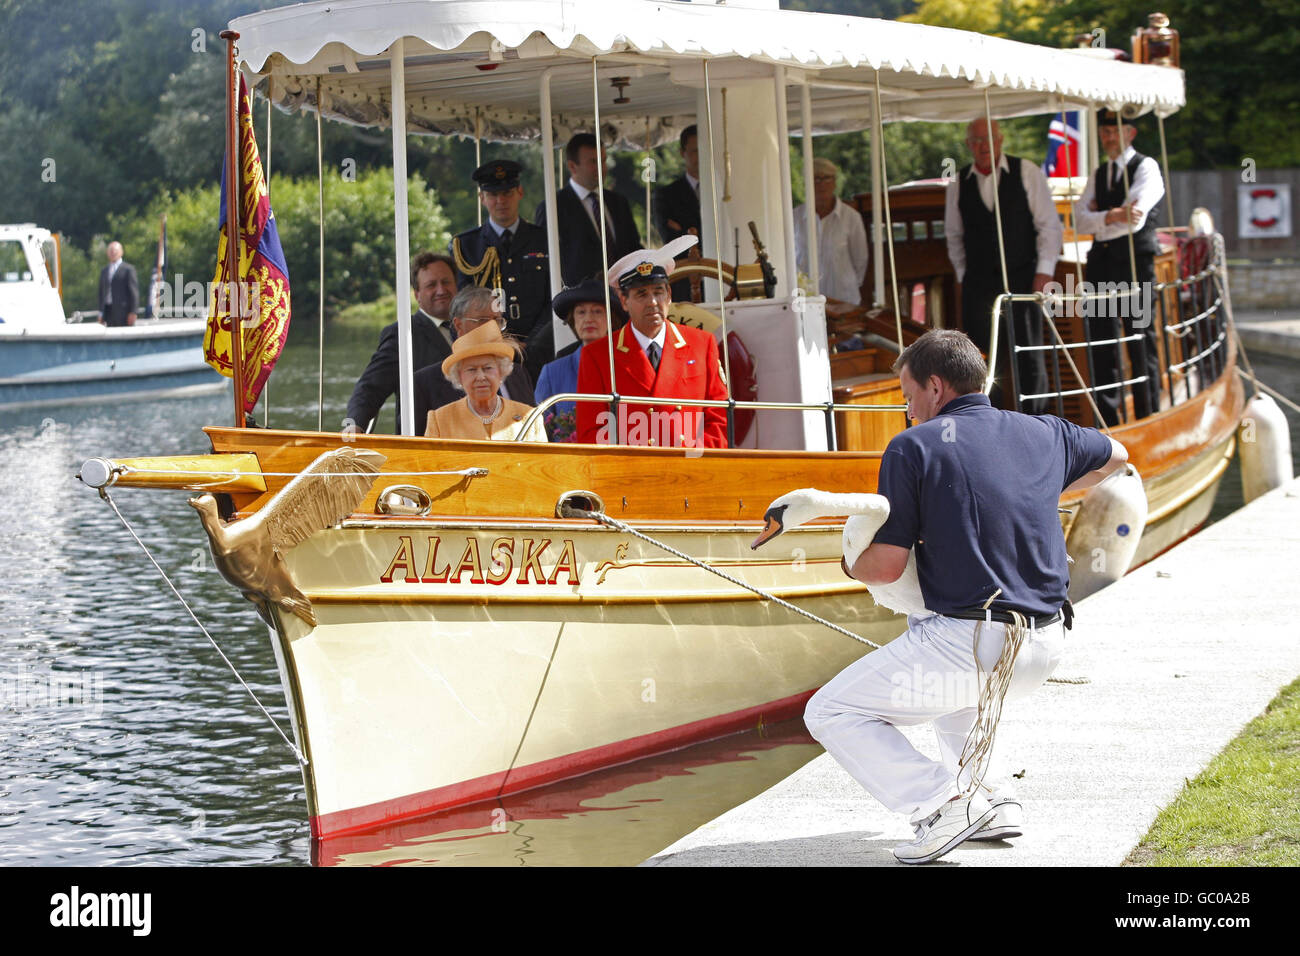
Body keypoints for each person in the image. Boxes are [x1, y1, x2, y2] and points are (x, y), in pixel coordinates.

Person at [804, 329, 1126, 864]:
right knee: (930, 647)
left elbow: (884, 570)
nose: (908, 412)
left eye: (907, 397)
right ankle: (992, 797)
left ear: (935, 386)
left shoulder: (914, 447)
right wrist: (1038, 487)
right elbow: (1117, 455)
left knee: (831, 712)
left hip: (976, 645)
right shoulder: (1045, 432)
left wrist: (847, 562)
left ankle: (940, 803)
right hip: (1045, 644)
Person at [945, 118, 1063, 414]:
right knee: (982, 363)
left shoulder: (1027, 172)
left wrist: (1044, 272)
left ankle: (1038, 425)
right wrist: (963, 278)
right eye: (976, 141)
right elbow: (954, 236)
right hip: (979, 286)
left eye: (988, 139)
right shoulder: (958, 183)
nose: (983, 146)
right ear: (968, 146)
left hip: (1023, 280)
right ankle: (988, 425)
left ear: (1001, 140)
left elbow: (1049, 226)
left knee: (1029, 357)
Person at [575, 237, 729, 449]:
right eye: (641, 294)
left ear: (669, 296)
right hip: (630, 475)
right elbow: (591, 431)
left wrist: (694, 460)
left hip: (692, 470)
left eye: (658, 292)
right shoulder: (599, 355)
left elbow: (719, 419)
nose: (653, 302)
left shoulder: (702, 344)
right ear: (624, 301)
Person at [1073, 109, 1166, 426]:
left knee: (1140, 337)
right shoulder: (1099, 174)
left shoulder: (1147, 168)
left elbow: (1135, 217)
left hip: (1133, 265)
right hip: (1100, 264)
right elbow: (1078, 220)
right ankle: (1108, 421)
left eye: (1115, 131)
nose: (1109, 137)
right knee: (1101, 341)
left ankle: (1148, 415)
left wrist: (1101, 218)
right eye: (1105, 132)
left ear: (1130, 134)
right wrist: (1113, 215)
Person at [450, 159, 553, 381]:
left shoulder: (545, 240)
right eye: (493, 195)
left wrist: (530, 344)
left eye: (507, 193)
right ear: (482, 199)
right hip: (485, 352)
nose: (501, 201)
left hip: (537, 352)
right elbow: (461, 305)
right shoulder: (466, 245)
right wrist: (496, 342)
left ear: (520, 192)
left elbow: (553, 299)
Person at [346, 252, 459, 434]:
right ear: (417, 295)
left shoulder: (472, 326)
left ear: (456, 285)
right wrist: (353, 425)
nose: (441, 290)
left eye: (446, 282)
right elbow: (369, 388)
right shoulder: (402, 334)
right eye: (431, 285)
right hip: (423, 443)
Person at [412, 286, 535, 427]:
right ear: (458, 325)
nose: (492, 328)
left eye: (497, 321)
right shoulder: (425, 384)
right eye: (483, 320)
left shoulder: (518, 374)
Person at [535, 133, 641, 288]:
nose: (602, 168)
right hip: (581, 300)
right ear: (572, 166)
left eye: (603, 160)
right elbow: (546, 260)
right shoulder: (553, 207)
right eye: (593, 162)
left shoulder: (618, 202)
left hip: (623, 296)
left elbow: (634, 248)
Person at [424, 320, 547, 442]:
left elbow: (543, 461)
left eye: (487, 368)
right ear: (459, 376)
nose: (481, 376)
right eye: (471, 370)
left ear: (501, 371)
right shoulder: (440, 420)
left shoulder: (529, 416)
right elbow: (429, 461)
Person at [534, 279, 610, 442]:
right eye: (581, 312)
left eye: (597, 311)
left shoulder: (627, 366)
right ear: (573, 320)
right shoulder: (552, 373)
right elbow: (539, 434)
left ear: (611, 318)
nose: (589, 319)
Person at [792, 157, 869, 305]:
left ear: (834, 182)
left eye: (826, 178)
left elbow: (860, 259)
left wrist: (847, 284)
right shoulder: (794, 218)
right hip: (806, 302)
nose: (821, 184)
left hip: (844, 300)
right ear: (806, 183)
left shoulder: (851, 217)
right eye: (815, 179)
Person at [653, 124, 703, 303]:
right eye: (696, 150)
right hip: (684, 286)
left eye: (705, 149)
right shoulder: (666, 196)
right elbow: (672, 242)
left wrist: (685, 231)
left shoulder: (725, 192)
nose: (702, 156)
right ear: (683, 153)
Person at [98, 241, 139, 327]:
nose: (113, 253)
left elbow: (134, 292)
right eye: (110, 251)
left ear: (121, 252)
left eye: (115, 250)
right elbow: (101, 293)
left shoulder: (128, 269)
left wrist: (133, 312)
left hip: (124, 312)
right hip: (108, 311)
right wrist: (101, 313)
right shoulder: (105, 271)